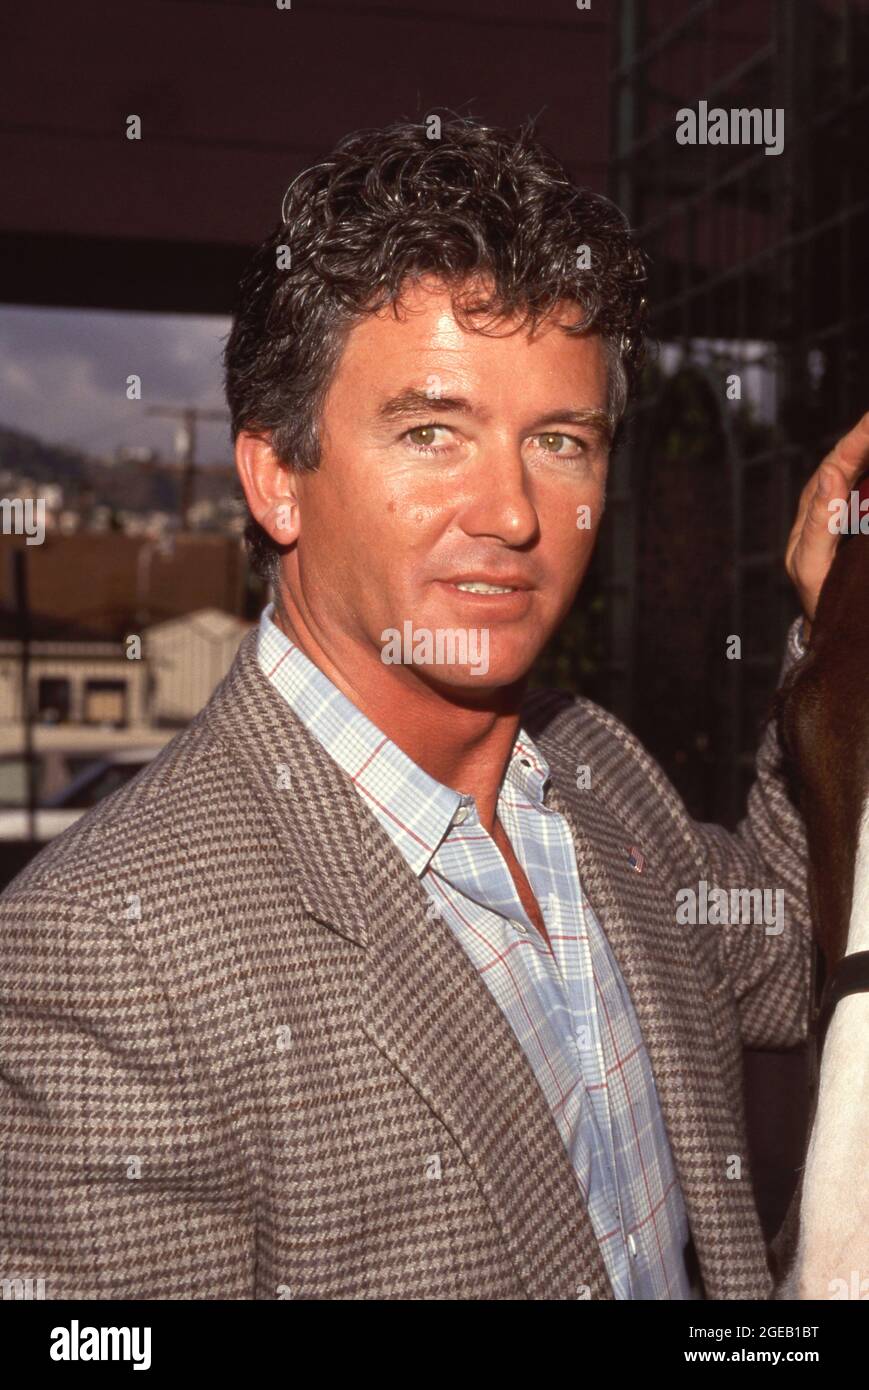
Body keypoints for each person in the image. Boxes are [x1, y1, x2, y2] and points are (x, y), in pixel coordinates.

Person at [2, 117, 866, 1301]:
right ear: (274, 478)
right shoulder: (106, 951)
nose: (509, 511)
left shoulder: (594, 769)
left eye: (557, 440)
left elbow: (791, 938)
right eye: (430, 433)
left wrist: (836, 624)